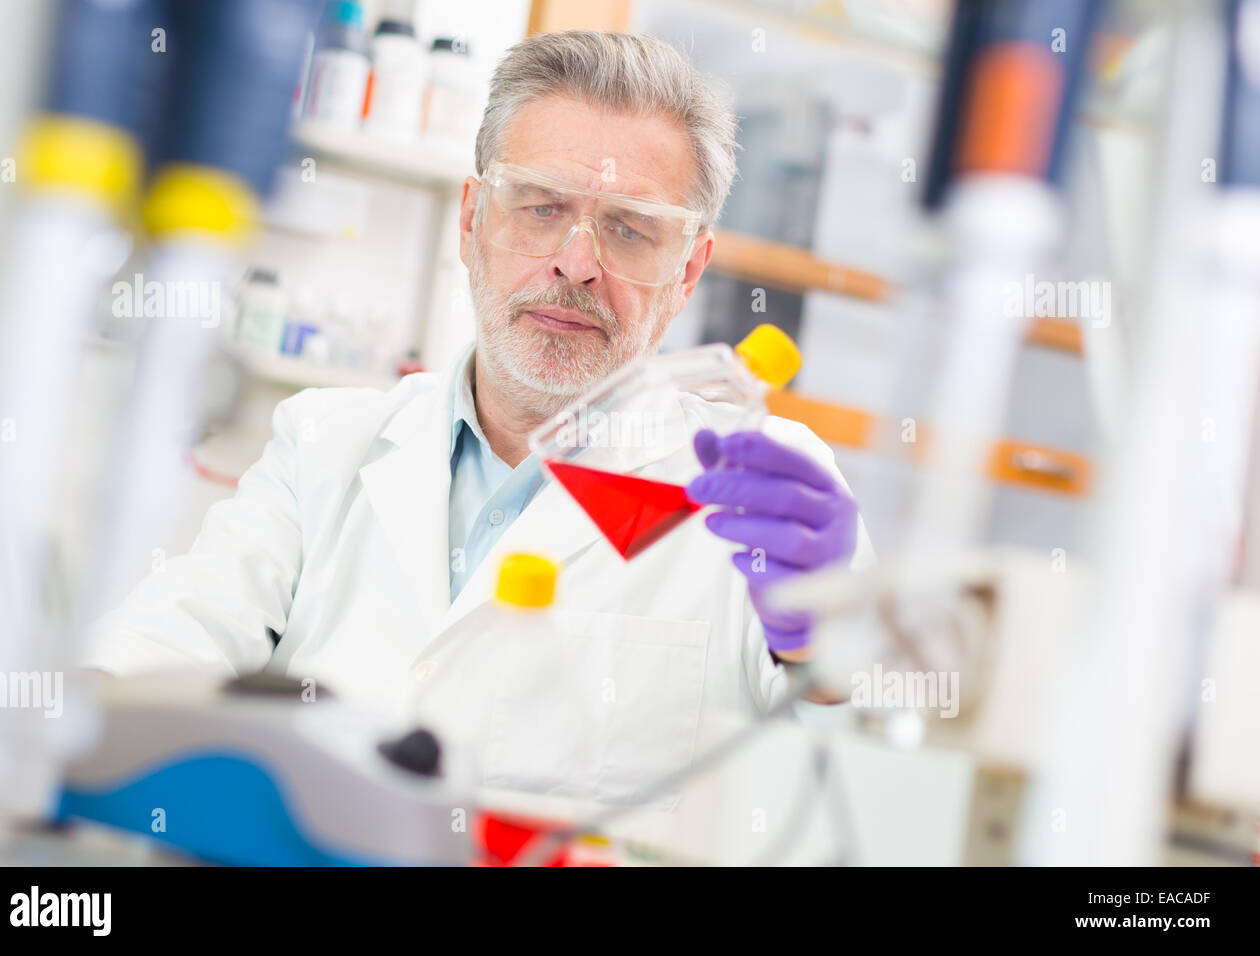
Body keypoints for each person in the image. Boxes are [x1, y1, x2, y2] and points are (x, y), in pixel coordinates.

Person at [83, 31, 875, 806]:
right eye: (539, 207)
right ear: (471, 221)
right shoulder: (324, 443)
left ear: (689, 270)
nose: (576, 263)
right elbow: (158, 652)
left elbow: (860, 782)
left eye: (631, 228)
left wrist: (816, 648)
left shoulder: (762, 489)